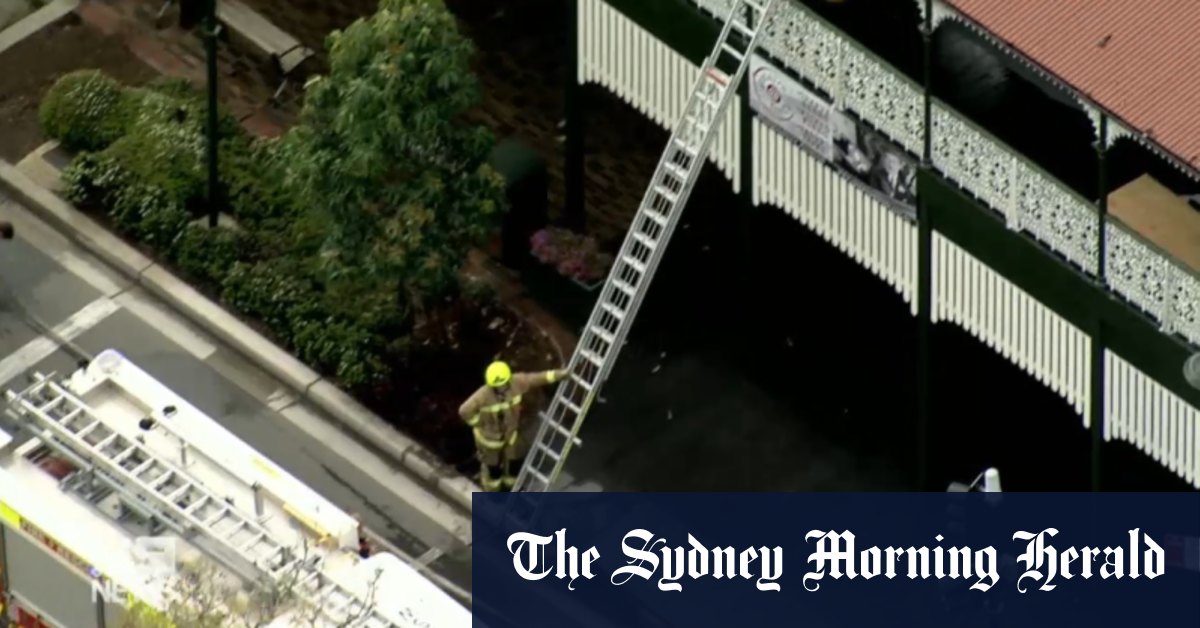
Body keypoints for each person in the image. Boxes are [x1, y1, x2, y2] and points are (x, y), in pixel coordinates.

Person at [459, 361, 568, 491]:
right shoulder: (482, 395)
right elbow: (464, 410)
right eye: (497, 386)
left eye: (504, 384)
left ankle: (512, 487)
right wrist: (477, 422)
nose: (502, 388)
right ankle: (493, 492)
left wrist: (557, 375)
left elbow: (535, 378)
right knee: (493, 470)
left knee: (514, 463)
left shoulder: (516, 382)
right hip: (489, 441)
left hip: (510, 437)